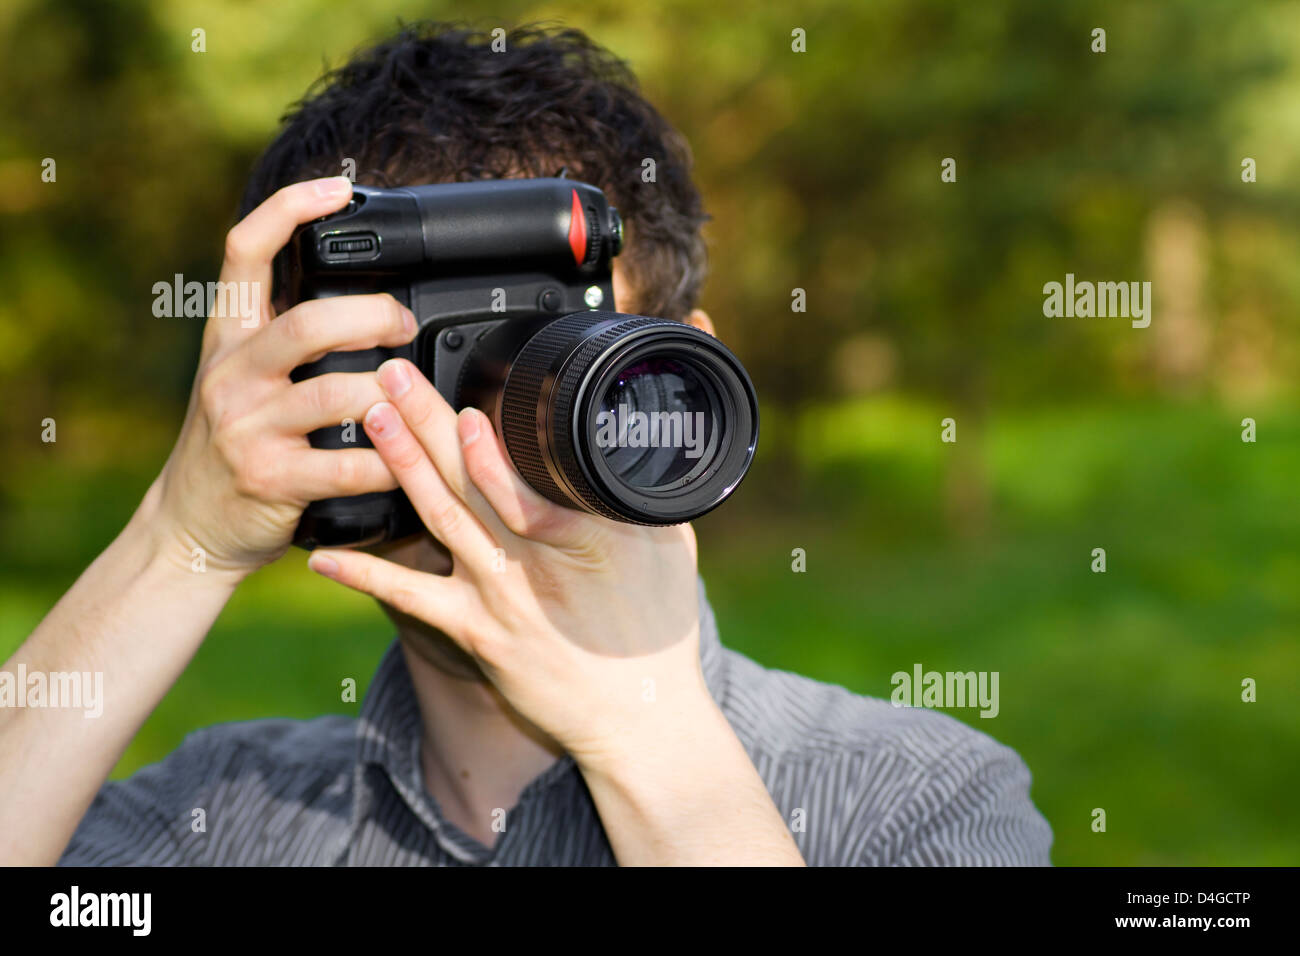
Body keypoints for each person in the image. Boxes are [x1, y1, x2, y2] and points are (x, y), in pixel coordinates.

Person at [0, 21, 1052, 866]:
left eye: (557, 352)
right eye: (408, 359)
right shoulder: (217, 818)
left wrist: (646, 728)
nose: (477, 445)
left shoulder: (915, 798)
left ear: (678, 380)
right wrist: (180, 539)